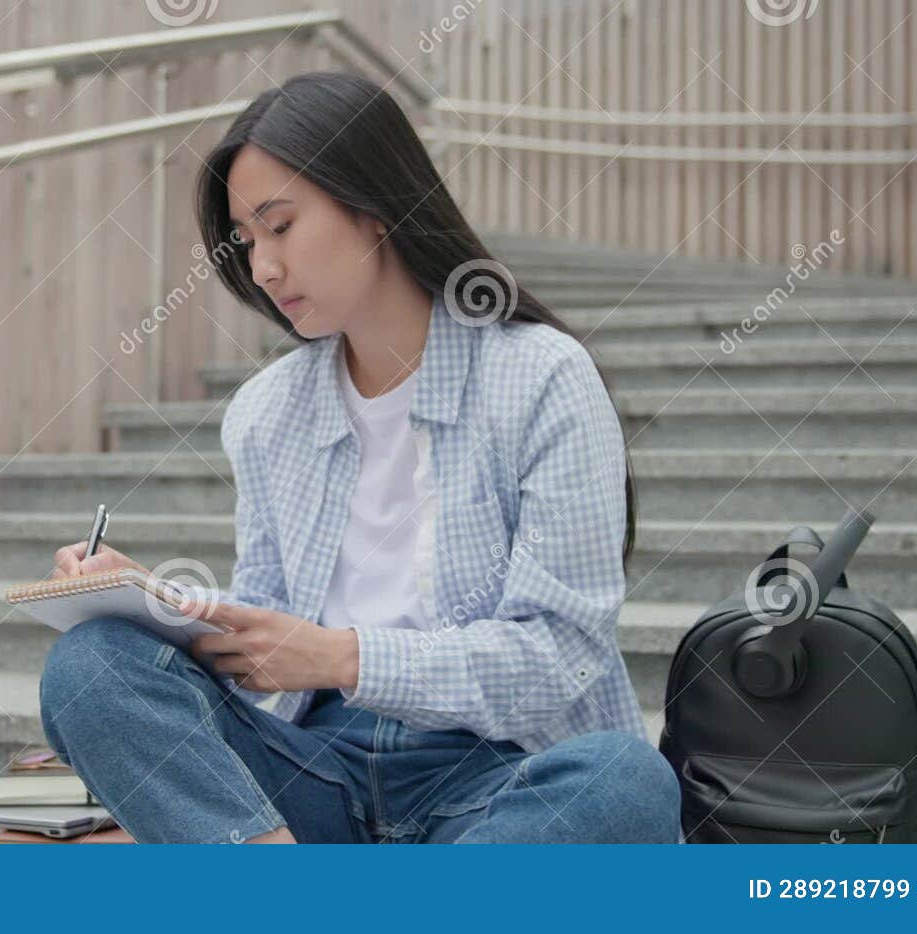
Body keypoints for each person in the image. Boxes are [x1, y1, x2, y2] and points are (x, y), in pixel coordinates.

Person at [38, 71, 680, 844]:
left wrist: (344, 657)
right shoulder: (268, 412)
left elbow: (562, 661)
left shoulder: (539, 376)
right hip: (321, 773)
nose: (264, 268)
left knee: (625, 781)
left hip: (499, 778)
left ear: (372, 206)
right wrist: (153, 607)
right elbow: (265, 642)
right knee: (90, 667)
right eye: (247, 243)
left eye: (280, 226)